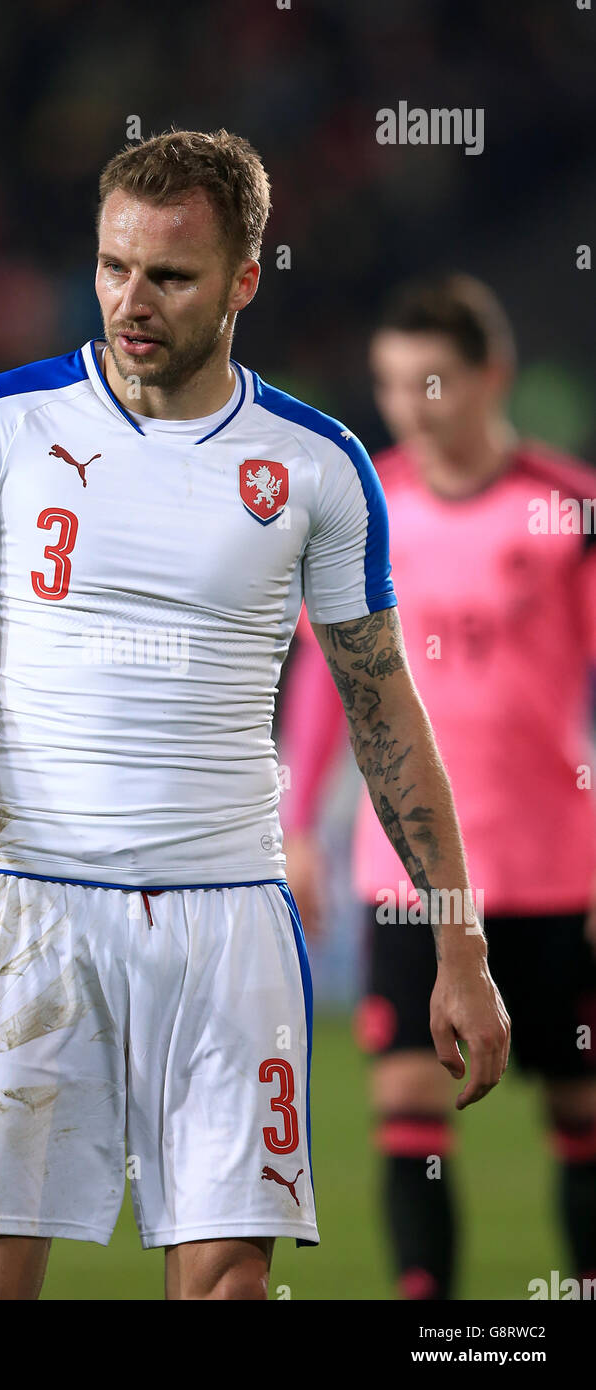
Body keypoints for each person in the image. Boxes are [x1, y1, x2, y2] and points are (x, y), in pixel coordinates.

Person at [0, 133, 509, 1301]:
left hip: (229, 923)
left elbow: (385, 719)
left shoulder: (316, 466)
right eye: (114, 266)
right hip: (35, 909)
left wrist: (460, 943)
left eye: (169, 276)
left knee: (224, 1292)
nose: (131, 300)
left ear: (244, 279)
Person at [280, 273, 596, 1300]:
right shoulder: (359, 507)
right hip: (409, 871)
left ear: (490, 376)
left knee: (580, 1113)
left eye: (430, 382)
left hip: (556, 869)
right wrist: (294, 825)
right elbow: (328, 682)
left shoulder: (566, 509)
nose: (405, 405)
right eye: (387, 382)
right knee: (407, 1100)